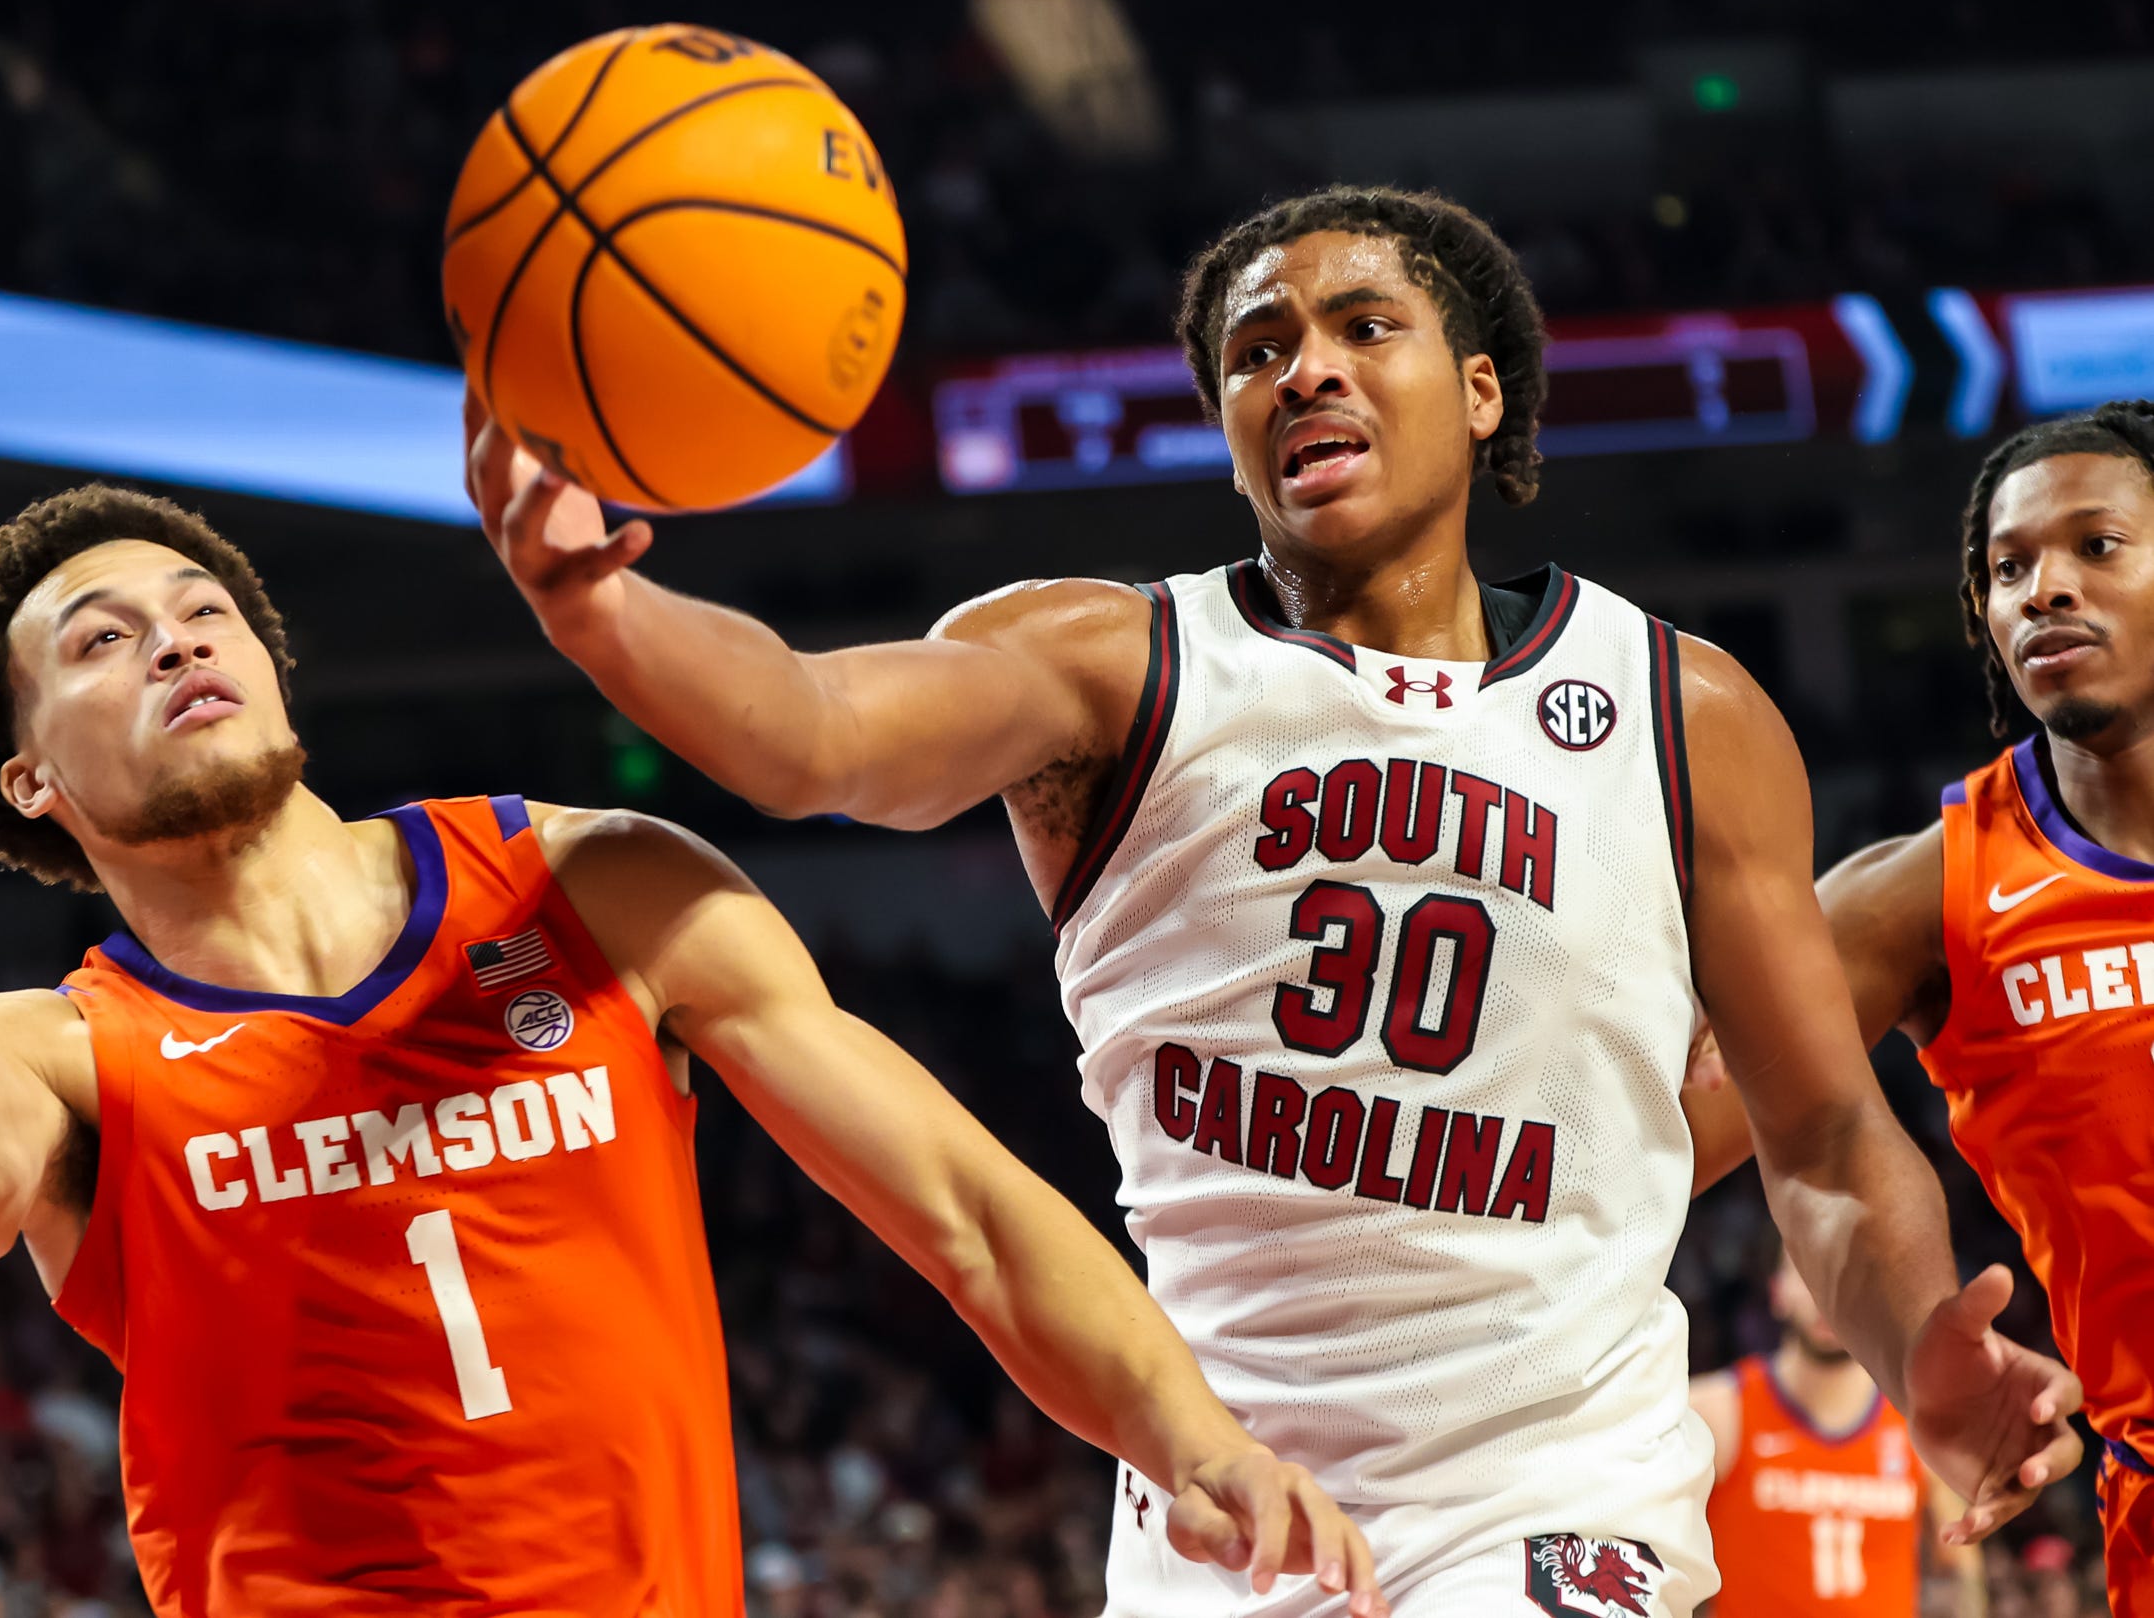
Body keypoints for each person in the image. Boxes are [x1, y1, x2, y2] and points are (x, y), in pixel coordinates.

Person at [465, 184, 2085, 1617]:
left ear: (1479, 389)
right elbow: (816, 732)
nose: (1300, 365)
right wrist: (602, 607)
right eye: (1255, 350)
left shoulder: (1682, 706)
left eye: (1361, 325)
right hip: (1224, 1502)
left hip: (1557, 1488)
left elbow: (1818, 1130)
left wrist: (1913, 1341)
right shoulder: (1113, 661)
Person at [0, 388, 1388, 1617]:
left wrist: (1196, 1434)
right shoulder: (57, 1053)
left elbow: (968, 1214)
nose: (176, 634)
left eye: (202, 609)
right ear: (28, 776)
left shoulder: (592, 883)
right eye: (97, 640)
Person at [1690, 399, 2154, 1616]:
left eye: (2096, 547)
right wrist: (1904, 1348)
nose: (2044, 589)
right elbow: (1672, 1138)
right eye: (2010, 569)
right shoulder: (1925, 898)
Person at [1690, 1249, 1980, 1617]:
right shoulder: (1716, 1410)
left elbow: (1962, 1571)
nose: (1830, 1293)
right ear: (1777, 1290)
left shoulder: (1924, 1425)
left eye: (1853, 1276)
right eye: (1810, 1269)